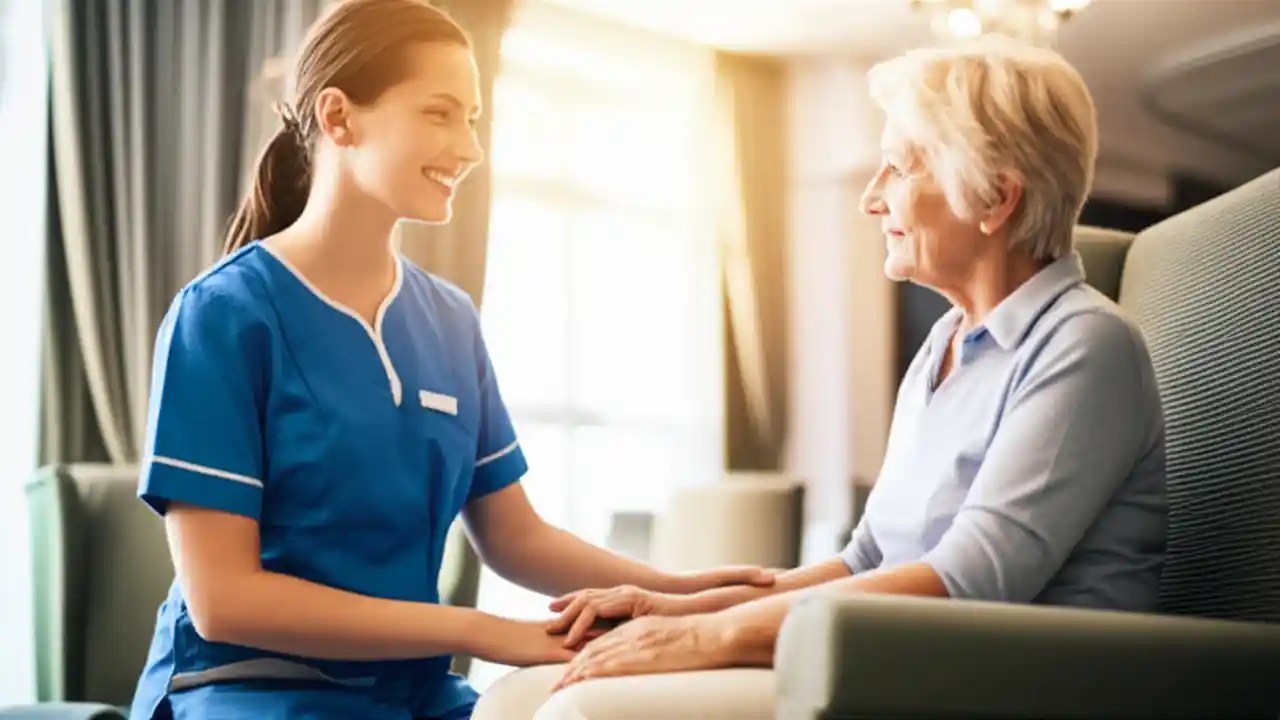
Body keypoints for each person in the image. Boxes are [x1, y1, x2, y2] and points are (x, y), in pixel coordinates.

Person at [474, 34, 1168, 720]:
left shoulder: (1086, 344)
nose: (872, 198)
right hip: (903, 653)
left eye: (898, 167)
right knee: (517, 698)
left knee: (585, 714)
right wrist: (675, 609)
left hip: (1015, 678)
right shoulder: (943, 346)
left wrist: (704, 637)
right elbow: (864, 557)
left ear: (994, 197)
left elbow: (973, 580)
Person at [128, 1, 772, 718]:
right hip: (247, 690)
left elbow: (514, 536)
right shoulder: (223, 314)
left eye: (472, 119)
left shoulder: (449, 320)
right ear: (339, 118)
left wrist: (676, 596)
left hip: (414, 692)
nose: (469, 149)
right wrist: (486, 632)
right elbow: (224, 602)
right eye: (440, 114)